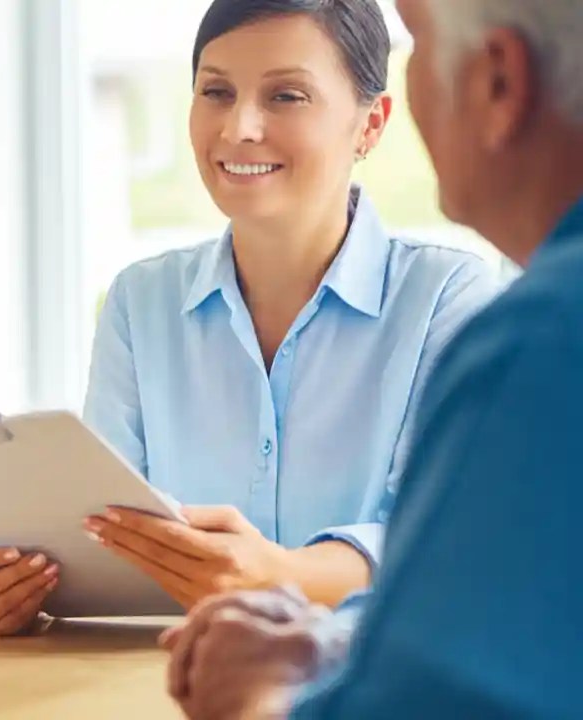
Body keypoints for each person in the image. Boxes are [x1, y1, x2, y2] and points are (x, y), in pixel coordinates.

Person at [0, 0, 503, 635]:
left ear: (370, 124)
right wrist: (20, 586)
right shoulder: (140, 300)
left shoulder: (448, 295)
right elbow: (103, 532)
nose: (239, 127)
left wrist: (278, 573)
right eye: (216, 91)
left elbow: (447, 540)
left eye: (287, 96)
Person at [163, 0, 583, 717]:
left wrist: (260, 700)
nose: (241, 127)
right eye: (217, 91)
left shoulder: (540, 339)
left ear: (499, 84)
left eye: (416, 42)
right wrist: (344, 649)